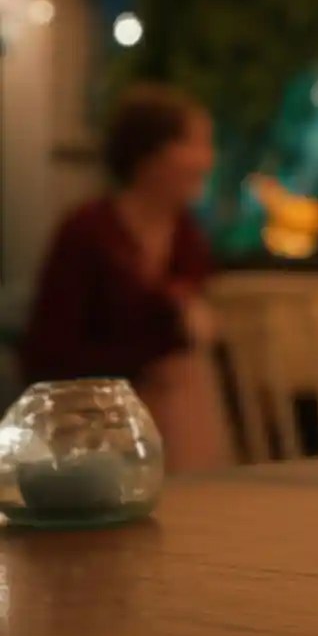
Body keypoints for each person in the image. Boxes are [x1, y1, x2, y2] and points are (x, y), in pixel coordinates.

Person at [20, 83, 233, 474]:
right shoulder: (87, 233)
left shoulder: (187, 236)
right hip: (97, 440)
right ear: (149, 155)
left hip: (183, 426)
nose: (208, 160)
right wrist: (153, 354)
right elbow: (49, 357)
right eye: (195, 144)